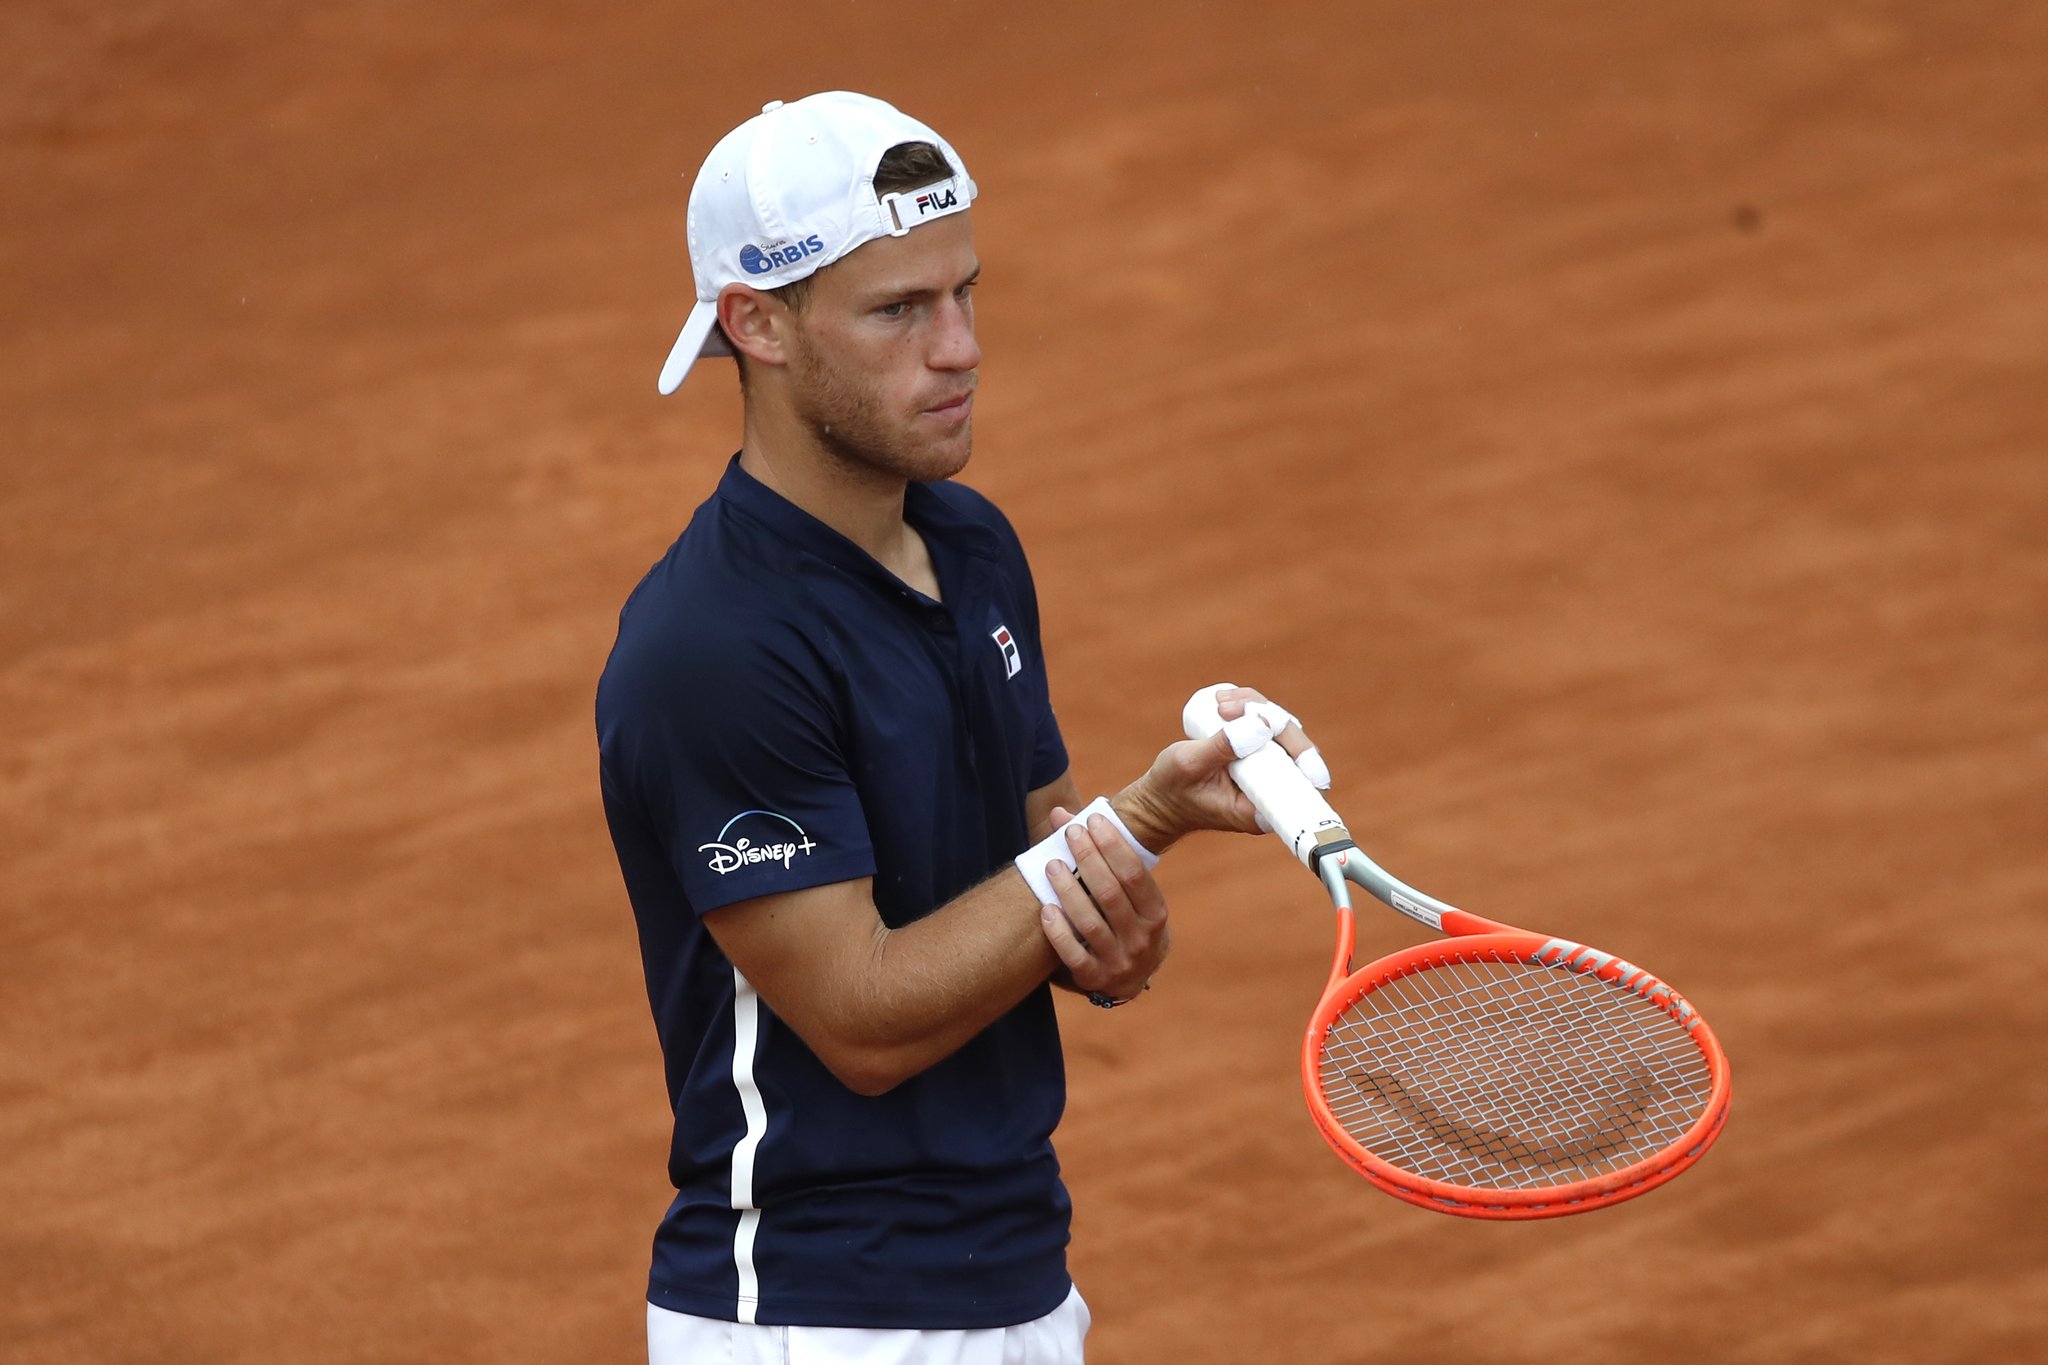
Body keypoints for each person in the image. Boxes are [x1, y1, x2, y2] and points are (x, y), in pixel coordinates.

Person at [597, 91, 1325, 1364]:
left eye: (963, 294)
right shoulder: (713, 646)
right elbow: (865, 1019)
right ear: (754, 324)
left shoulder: (970, 546)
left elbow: (1033, 861)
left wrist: (1114, 903)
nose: (960, 348)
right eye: (898, 311)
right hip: (813, 1317)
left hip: (1018, 1279)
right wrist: (1137, 821)